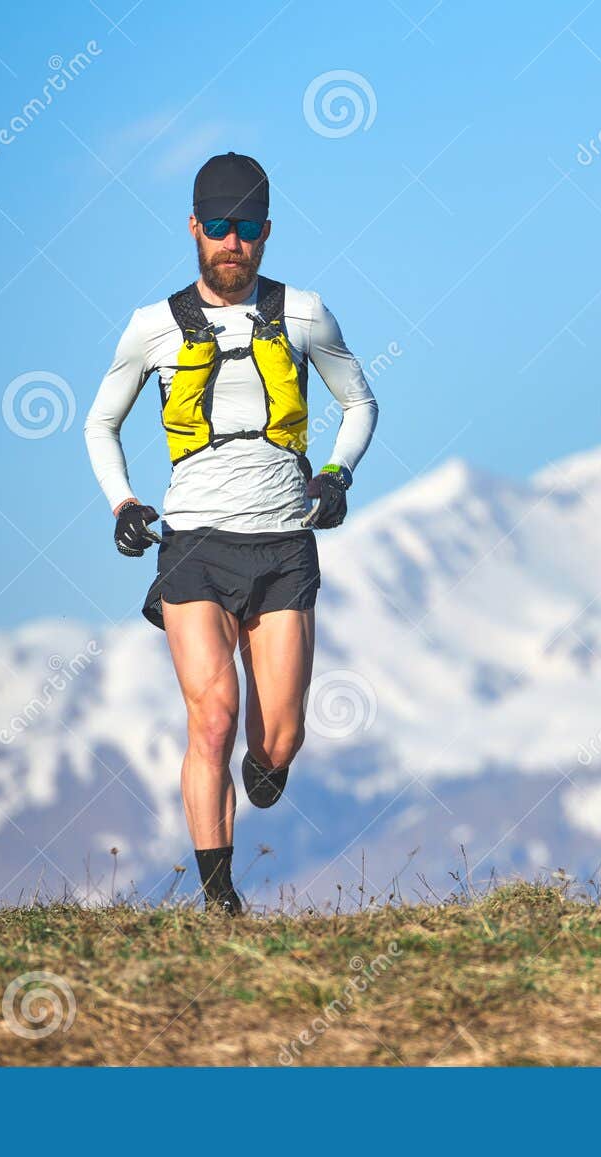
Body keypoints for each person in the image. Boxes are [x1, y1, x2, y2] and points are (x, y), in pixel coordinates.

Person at [83, 152, 378, 914]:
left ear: (267, 232)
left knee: (277, 740)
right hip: (193, 546)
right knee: (210, 716)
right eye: (218, 227)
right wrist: (123, 504)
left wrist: (337, 476)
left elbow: (360, 404)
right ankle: (220, 898)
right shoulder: (153, 326)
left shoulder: (306, 313)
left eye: (246, 228)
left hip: (282, 544)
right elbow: (100, 423)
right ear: (193, 228)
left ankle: (268, 763)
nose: (232, 243)